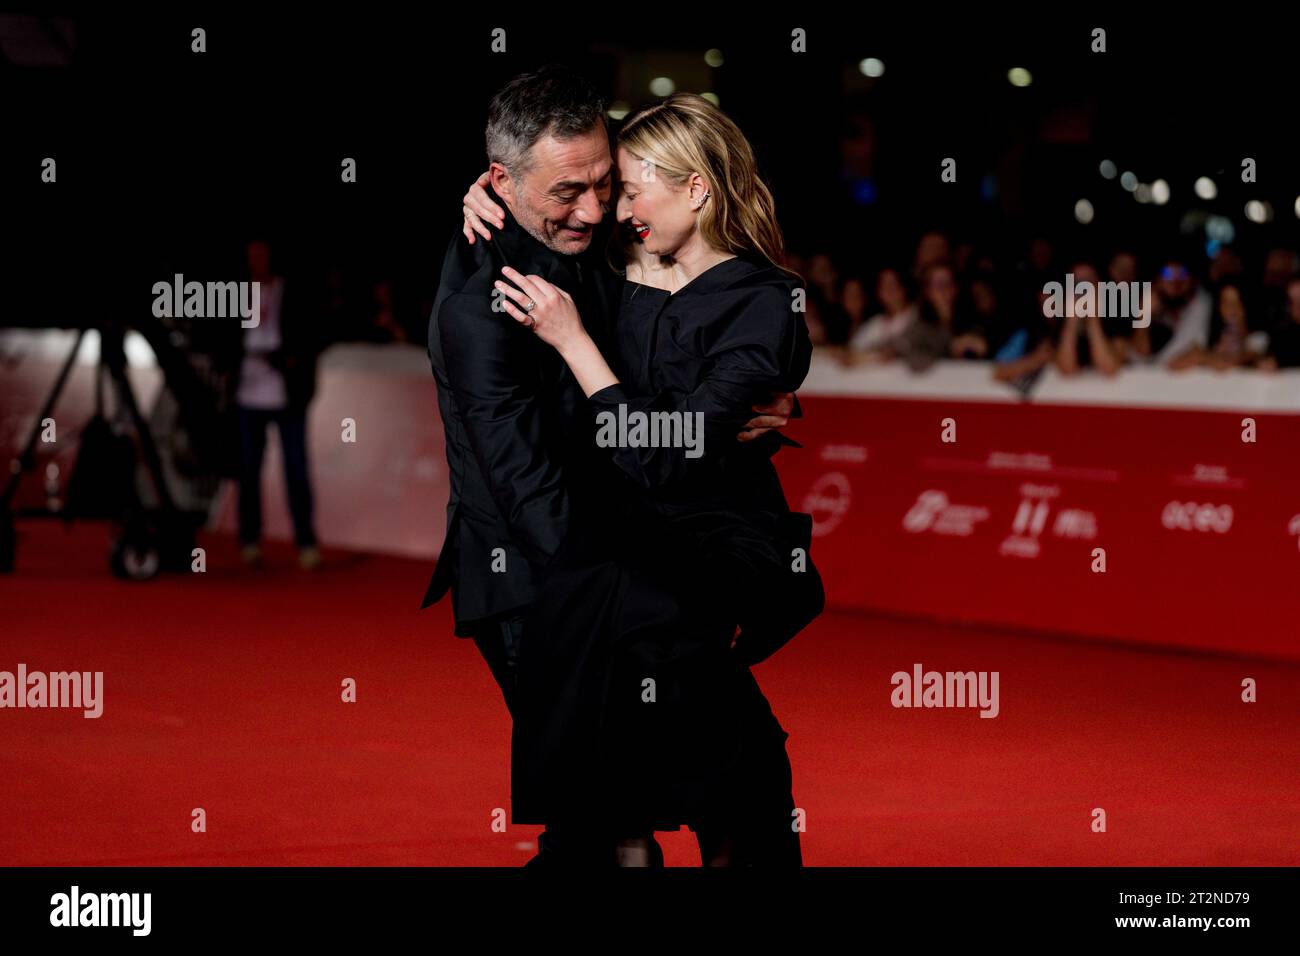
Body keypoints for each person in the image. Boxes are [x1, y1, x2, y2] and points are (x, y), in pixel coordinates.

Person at [424, 66, 798, 867]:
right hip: (543, 580)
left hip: (637, 568)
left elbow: (686, 361)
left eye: (609, 185)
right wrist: (642, 598)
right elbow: (526, 490)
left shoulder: (599, 256)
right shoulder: (480, 306)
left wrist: (757, 406)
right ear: (501, 183)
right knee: (608, 826)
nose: (596, 210)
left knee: (710, 791)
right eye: (570, 192)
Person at [231, 238, 323, 569]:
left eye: (261, 255)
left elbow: (311, 335)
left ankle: (306, 541)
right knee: (248, 471)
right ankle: (249, 540)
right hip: (247, 394)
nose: (256, 261)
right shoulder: (237, 292)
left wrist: (288, 360)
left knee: (295, 468)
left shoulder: (292, 291)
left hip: (286, 394)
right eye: (250, 256)